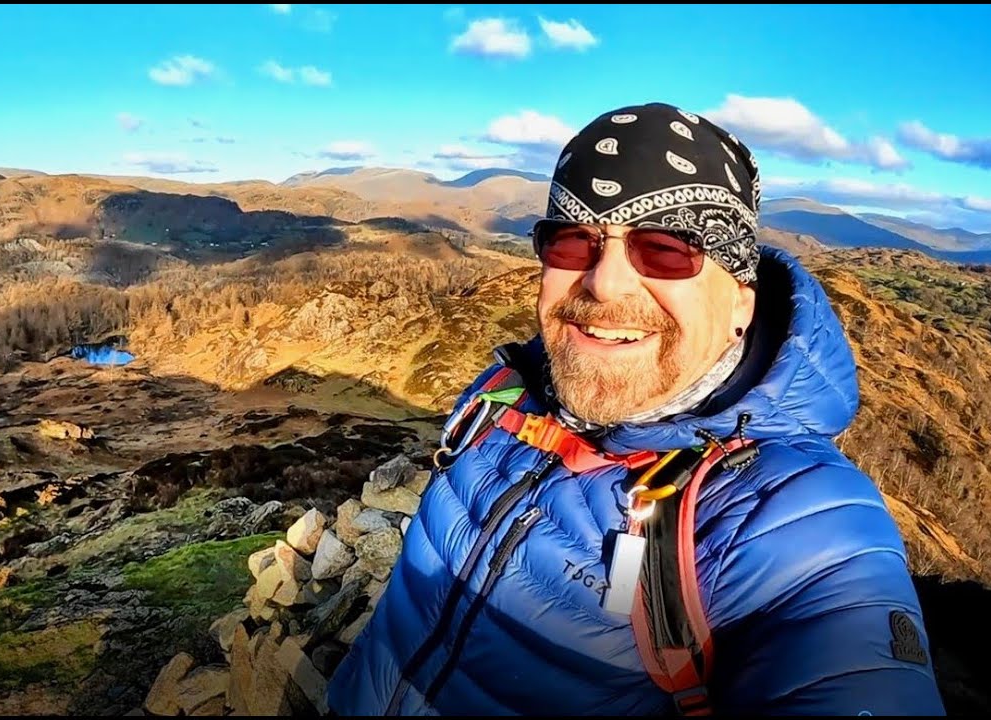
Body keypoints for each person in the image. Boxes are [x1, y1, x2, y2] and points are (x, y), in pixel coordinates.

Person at [325, 101, 946, 716]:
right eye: (573, 241)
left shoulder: (794, 518)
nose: (605, 282)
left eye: (666, 249)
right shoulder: (504, 393)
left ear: (740, 302)